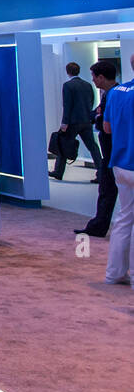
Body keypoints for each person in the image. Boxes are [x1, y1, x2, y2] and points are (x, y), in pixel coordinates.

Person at [77, 60, 120, 237]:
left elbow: (107, 125)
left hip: (114, 152)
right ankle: (98, 224)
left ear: (101, 77)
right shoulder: (109, 95)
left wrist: (99, 120)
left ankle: (99, 225)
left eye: (94, 76)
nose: (93, 80)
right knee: (106, 189)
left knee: (108, 189)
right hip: (111, 152)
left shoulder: (114, 96)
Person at [102, 57, 134, 285]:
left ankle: (114, 273)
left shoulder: (116, 92)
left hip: (121, 162)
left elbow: (107, 128)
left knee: (124, 217)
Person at [52, 61, 101, 181]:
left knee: (63, 145)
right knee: (93, 147)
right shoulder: (88, 85)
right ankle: (101, 173)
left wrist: (65, 122)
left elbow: (67, 105)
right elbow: (92, 102)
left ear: (67, 72)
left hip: (73, 122)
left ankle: (58, 171)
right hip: (86, 120)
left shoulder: (68, 85)